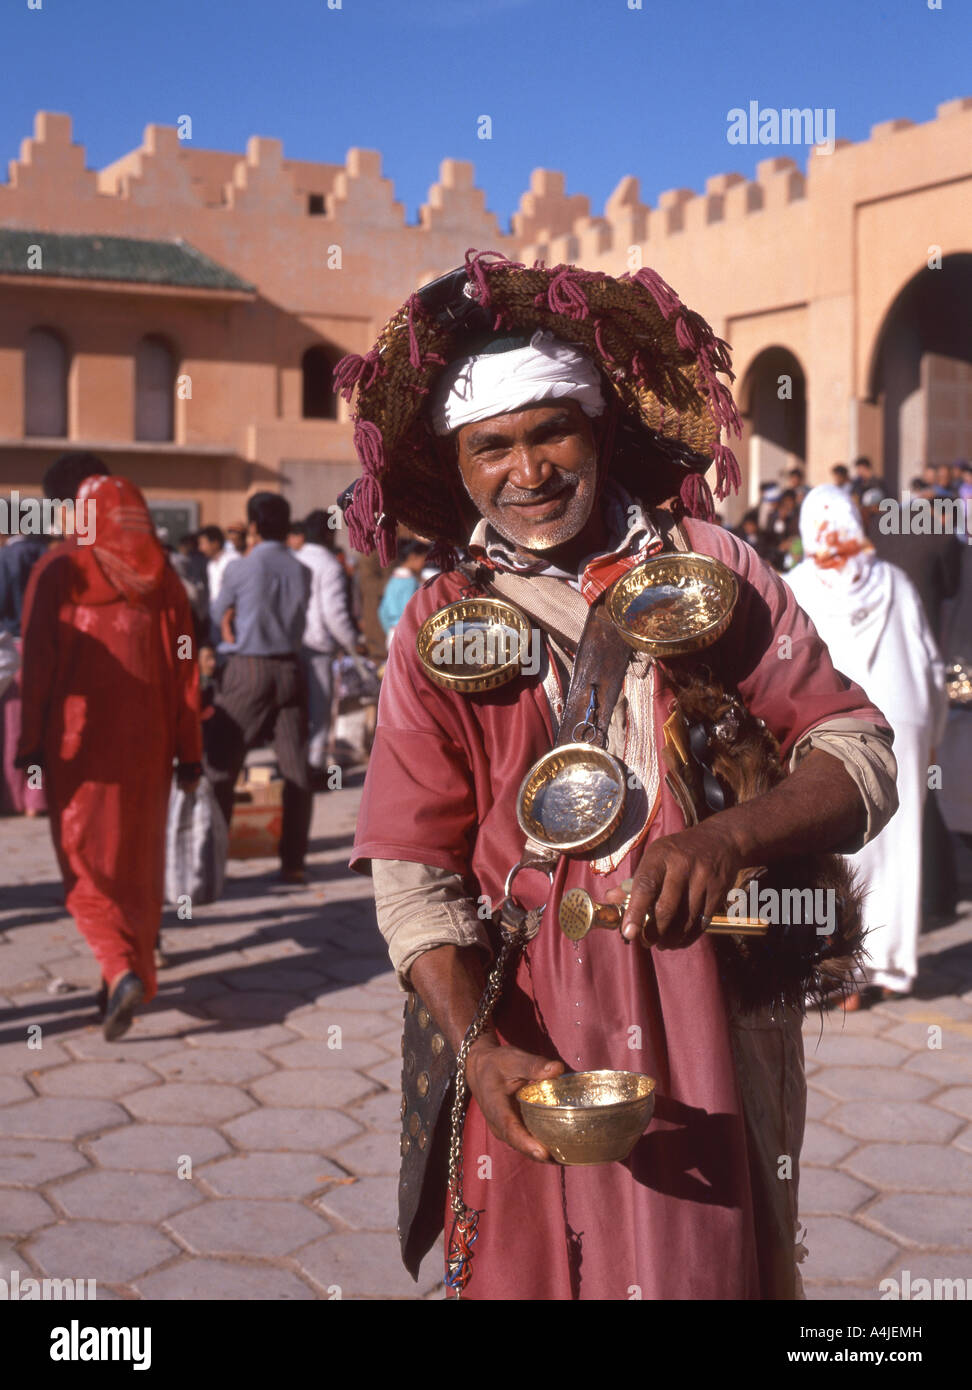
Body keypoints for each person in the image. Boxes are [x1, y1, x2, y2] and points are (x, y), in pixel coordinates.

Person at [340, 253, 898, 1301]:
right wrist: (483, 1052)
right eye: (491, 446)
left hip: (704, 1009)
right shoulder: (437, 625)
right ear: (459, 466)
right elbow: (412, 878)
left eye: (551, 430)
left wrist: (729, 839)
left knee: (703, 1266)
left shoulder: (713, 572)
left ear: (598, 431)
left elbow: (860, 754)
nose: (528, 471)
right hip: (530, 1025)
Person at [17, 475, 202, 1040]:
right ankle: (126, 976)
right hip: (150, 744)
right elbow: (185, 665)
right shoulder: (164, 578)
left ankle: (120, 968)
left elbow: (37, 665)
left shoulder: (59, 571)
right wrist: (189, 748)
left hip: (79, 746)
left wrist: (28, 746)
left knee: (85, 860)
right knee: (138, 864)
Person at [786, 485, 946, 1004]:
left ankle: (829, 969)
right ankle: (883, 966)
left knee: (832, 844)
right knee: (897, 846)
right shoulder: (894, 583)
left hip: (832, 725)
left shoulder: (794, 585)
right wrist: (934, 734)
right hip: (904, 719)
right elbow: (929, 665)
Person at [203, 491, 312, 883]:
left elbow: (217, 617)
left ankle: (211, 860)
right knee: (296, 768)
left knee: (221, 766)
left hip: (248, 667)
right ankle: (293, 862)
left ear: (252, 526)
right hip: (290, 668)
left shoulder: (240, 569)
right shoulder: (302, 570)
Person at [295, 508, 362, 782]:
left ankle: (296, 767)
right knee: (320, 713)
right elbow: (334, 614)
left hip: (292, 647)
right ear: (328, 533)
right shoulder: (329, 565)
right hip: (318, 648)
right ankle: (315, 769)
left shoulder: (294, 559)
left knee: (297, 714)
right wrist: (352, 643)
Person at [378, 540, 429, 646]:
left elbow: (382, 611)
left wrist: (390, 629)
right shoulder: (410, 582)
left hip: (392, 633)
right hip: (407, 635)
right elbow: (410, 610)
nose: (425, 563)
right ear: (413, 557)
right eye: (424, 558)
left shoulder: (393, 580)